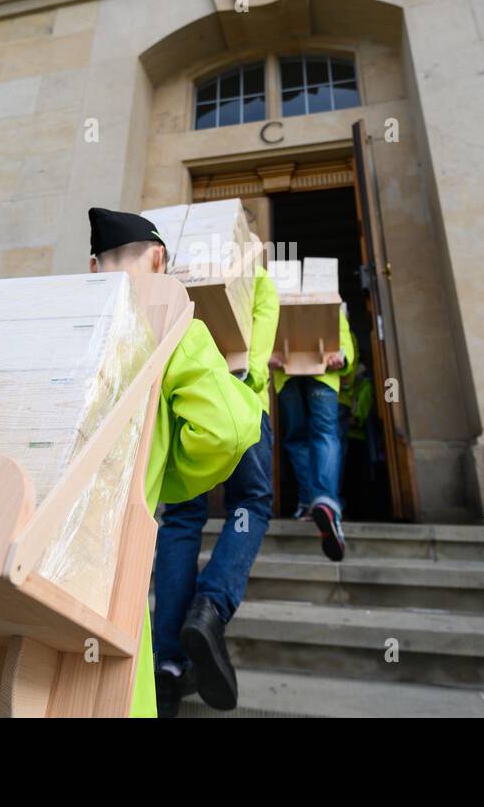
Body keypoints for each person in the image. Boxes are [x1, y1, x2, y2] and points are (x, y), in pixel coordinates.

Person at [86, 207, 261, 718]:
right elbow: (223, 430)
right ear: (160, 258)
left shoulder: (55, 322)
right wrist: (174, 477)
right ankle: (205, 613)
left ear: (93, 267)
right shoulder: (168, 324)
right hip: (112, 561)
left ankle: (171, 659)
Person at [153, 235, 278, 717]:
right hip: (241, 403)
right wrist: (248, 377)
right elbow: (261, 333)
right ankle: (210, 608)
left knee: (183, 516)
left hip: (186, 406)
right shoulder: (254, 273)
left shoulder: (173, 277)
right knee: (251, 504)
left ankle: (168, 664)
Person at [272, 301, 356, 561]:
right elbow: (343, 333)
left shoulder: (275, 302)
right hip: (322, 372)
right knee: (325, 435)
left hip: (287, 374)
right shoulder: (330, 301)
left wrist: (266, 354)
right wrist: (343, 357)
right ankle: (324, 501)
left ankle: (310, 502)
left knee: (298, 438)